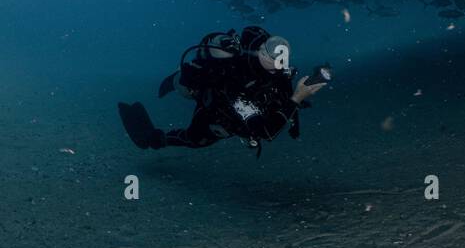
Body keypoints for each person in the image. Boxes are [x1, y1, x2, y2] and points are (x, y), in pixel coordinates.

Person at [117, 26, 328, 155]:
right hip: (216, 107)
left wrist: (294, 117)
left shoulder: (276, 72)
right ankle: (154, 137)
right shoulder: (235, 87)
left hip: (236, 103)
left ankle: (179, 83)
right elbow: (265, 132)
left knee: (200, 138)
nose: (280, 61)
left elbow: (284, 93)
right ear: (257, 53)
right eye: (270, 53)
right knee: (197, 139)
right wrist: (297, 99)